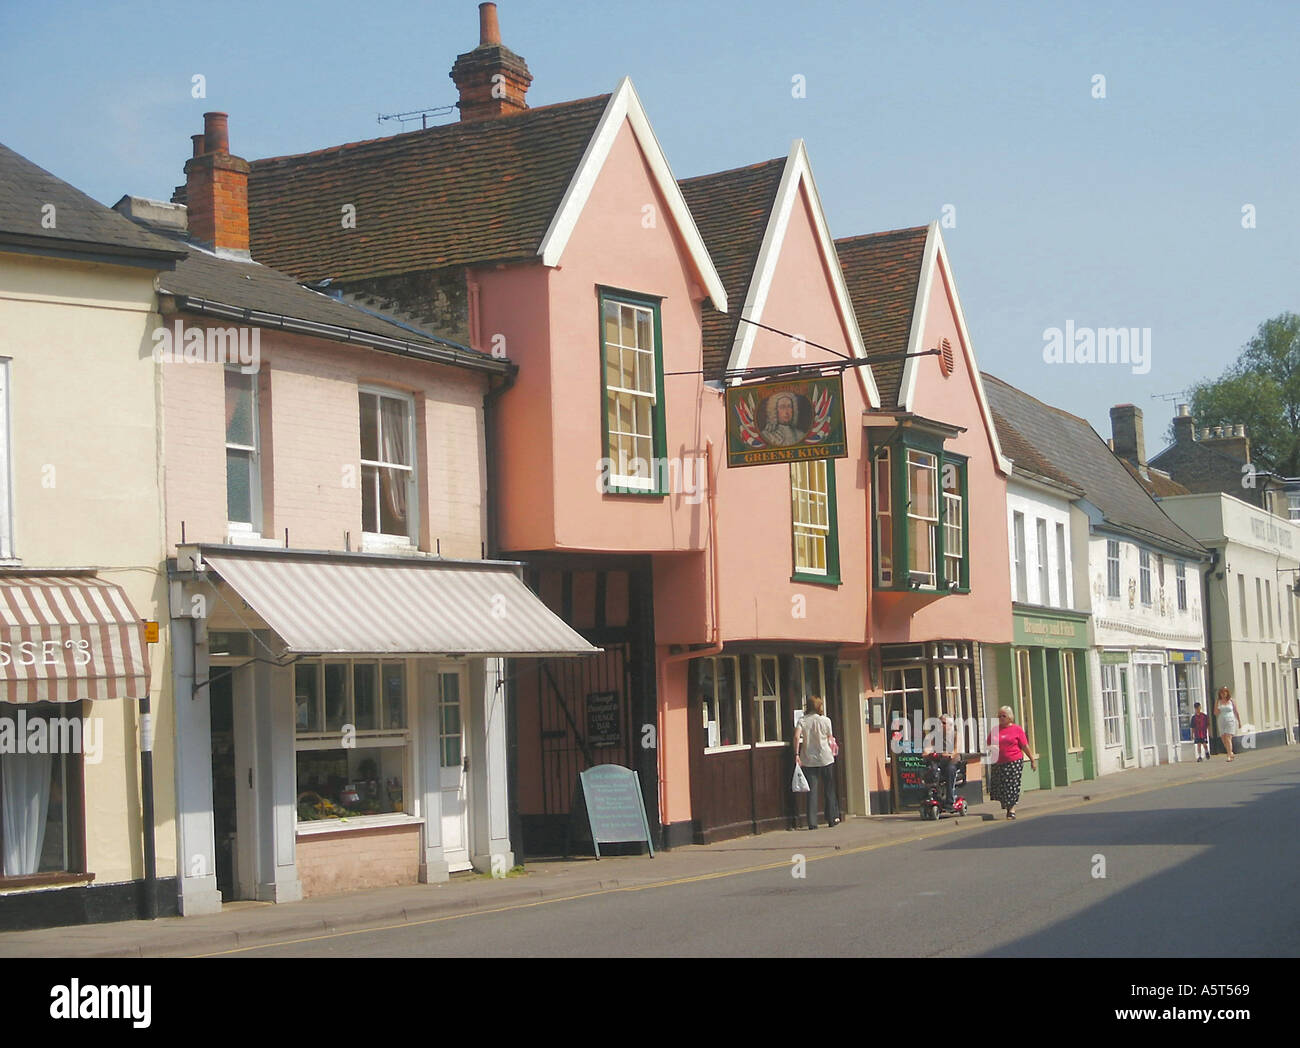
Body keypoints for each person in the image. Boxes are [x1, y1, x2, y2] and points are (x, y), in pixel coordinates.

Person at [793, 695, 841, 829]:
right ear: (819, 706)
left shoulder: (802, 721)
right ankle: (831, 818)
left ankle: (812, 822)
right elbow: (829, 737)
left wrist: (796, 754)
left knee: (812, 791)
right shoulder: (826, 721)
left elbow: (797, 737)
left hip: (809, 759)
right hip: (825, 758)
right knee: (829, 789)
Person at [987, 705, 1036, 819]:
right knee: (1002, 786)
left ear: (1010, 717)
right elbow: (988, 744)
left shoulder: (1017, 729)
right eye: (999, 716)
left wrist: (1032, 759)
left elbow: (1024, 746)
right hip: (998, 762)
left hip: (1014, 761)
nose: (1001, 718)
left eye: (1003, 716)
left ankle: (1011, 809)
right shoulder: (995, 730)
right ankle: (1006, 805)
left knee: (1012, 785)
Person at [922, 713, 963, 809]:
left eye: (943, 723)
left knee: (950, 770)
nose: (940, 725)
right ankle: (932, 796)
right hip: (939, 761)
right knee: (932, 771)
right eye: (939, 723)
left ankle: (950, 800)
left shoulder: (956, 735)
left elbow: (957, 750)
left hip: (951, 762)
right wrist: (926, 753)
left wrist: (950, 754)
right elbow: (929, 747)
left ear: (950, 725)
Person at [1215, 686, 1241, 761]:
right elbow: (1215, 712)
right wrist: (1218, 709)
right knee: (1223, 738)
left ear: (1227, 693)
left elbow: (1236, 711)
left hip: (1230, 720)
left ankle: (1229, 755)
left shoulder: (1231, 701)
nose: (1223, 694)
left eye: (1225, 692)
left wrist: (1239, 722)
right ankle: (1230, 752)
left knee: (1228, 737)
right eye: (1221, 693)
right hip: (1221, 720)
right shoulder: (1218, 701)